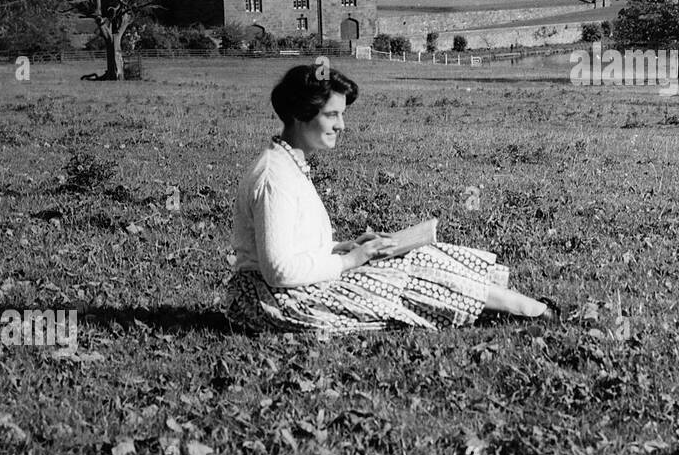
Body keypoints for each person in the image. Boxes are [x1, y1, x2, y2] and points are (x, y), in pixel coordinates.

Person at [226, 63, 556, 334]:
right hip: (276, 300)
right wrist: (350, 261)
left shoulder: (289, 163)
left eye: (342, 115)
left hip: (292, 287)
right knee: (402, 274)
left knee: (416, 254)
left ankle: (520, 306)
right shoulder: (276, 178)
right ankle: (527, 310)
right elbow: (279, 271)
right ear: (300, 115)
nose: (342, 125)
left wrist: (346, 247)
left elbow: (292, 247)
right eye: (332, 115)